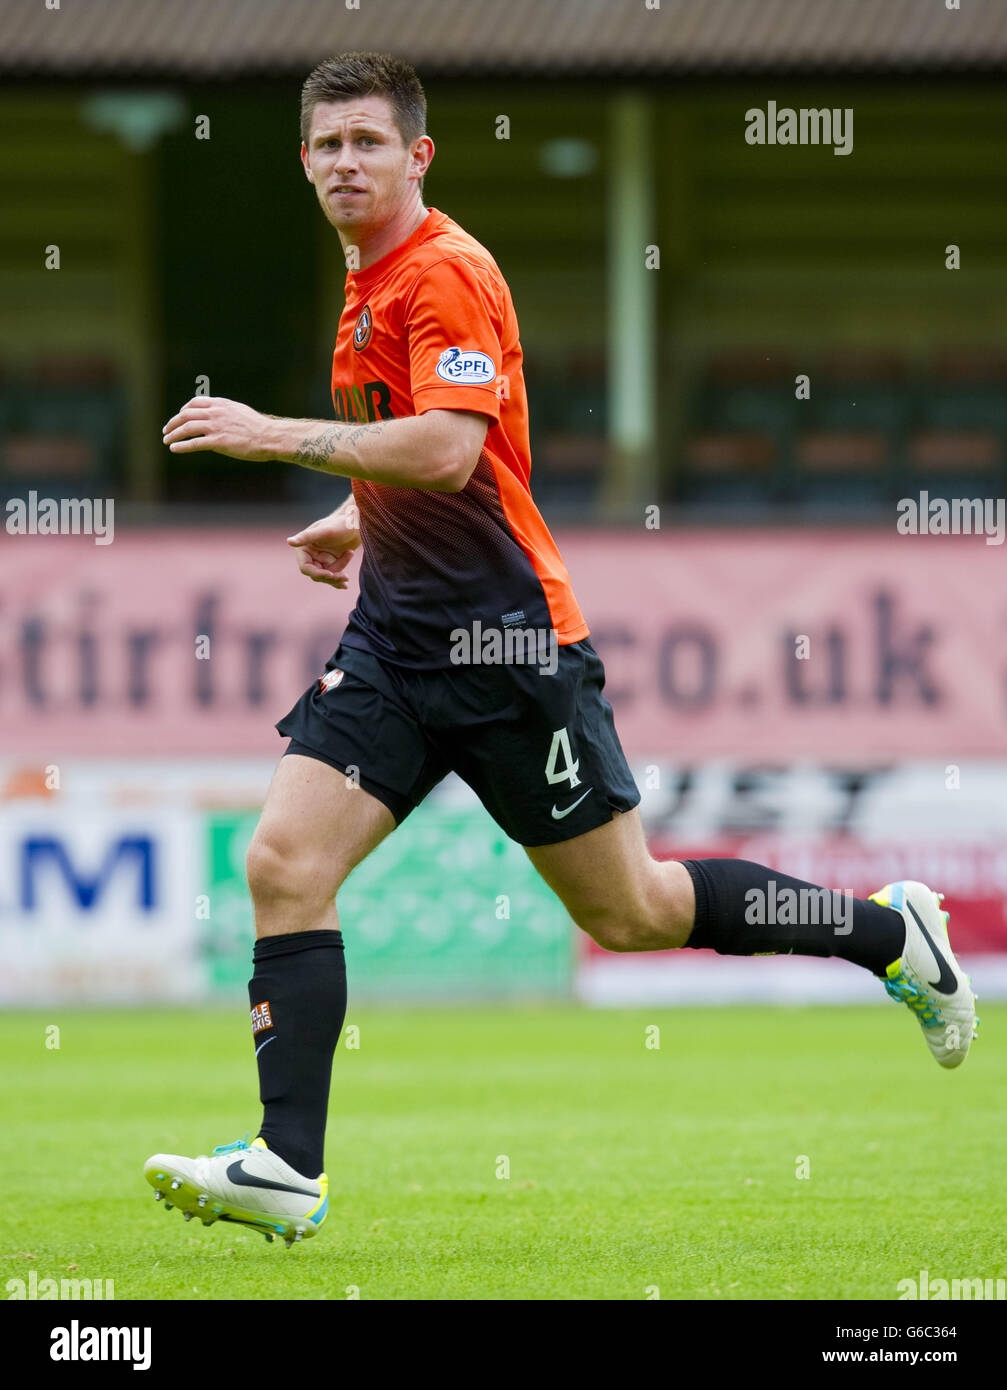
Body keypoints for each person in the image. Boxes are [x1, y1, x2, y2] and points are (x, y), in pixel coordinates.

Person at [146, 52, 976, 1248]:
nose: (343, 164)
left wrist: (266, 435)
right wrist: (351, 519)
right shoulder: (365, 278)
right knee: (283, 863)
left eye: (367, 143)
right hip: (394, 639)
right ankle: (285, 1163)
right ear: (302, 161)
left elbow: (444, 452)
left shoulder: (444, 271)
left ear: (416, 155)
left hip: (505, 647)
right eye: (325, 146)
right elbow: (435, 452)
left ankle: (889, 933)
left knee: (633, 910)